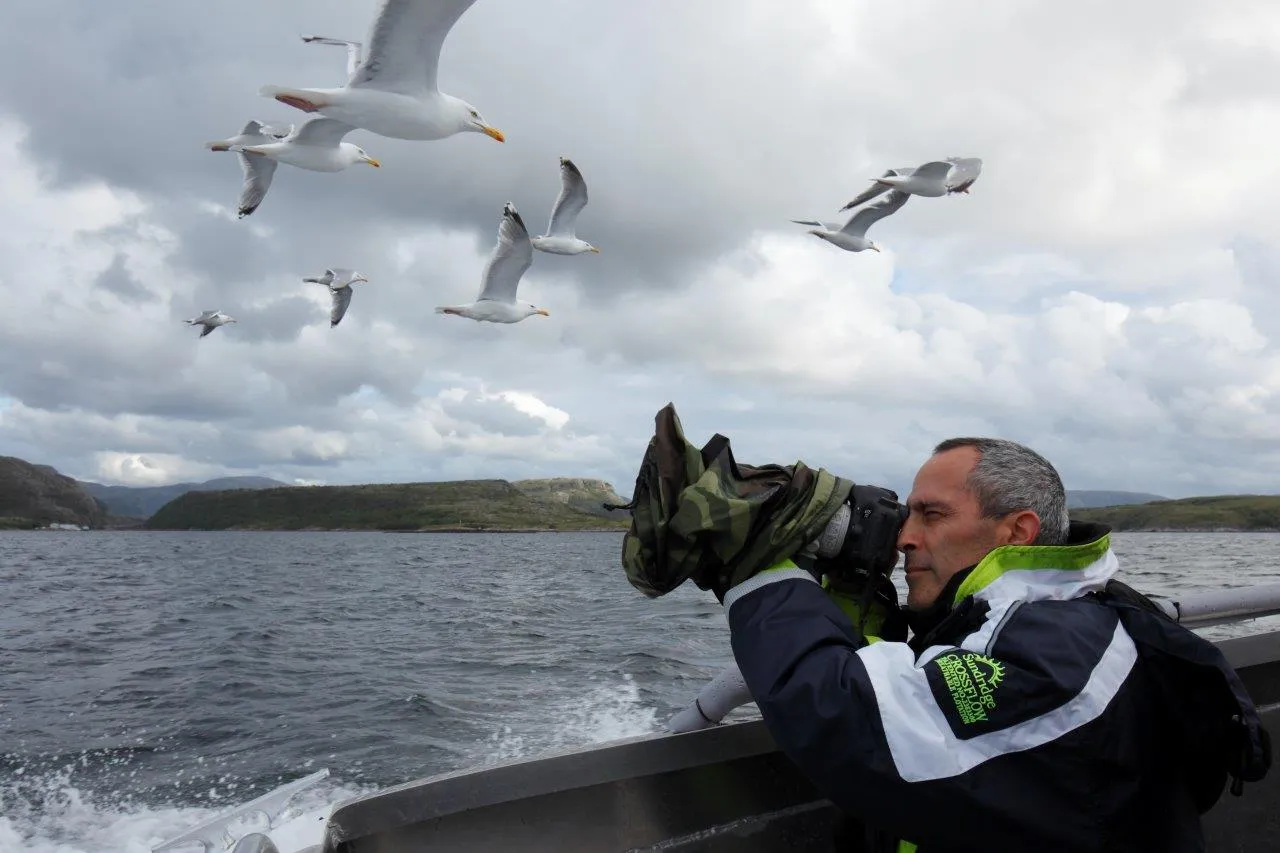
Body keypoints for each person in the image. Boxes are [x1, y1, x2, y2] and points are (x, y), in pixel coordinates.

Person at [723, 437, 1270, 852]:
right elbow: (896, 688)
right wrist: (850, 590)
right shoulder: (1014, 622)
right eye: (907, 514)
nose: (905, 537)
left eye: (932, 515)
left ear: (1016, 532)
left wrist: (756, 569)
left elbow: (856, 724)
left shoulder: (1059, 652)